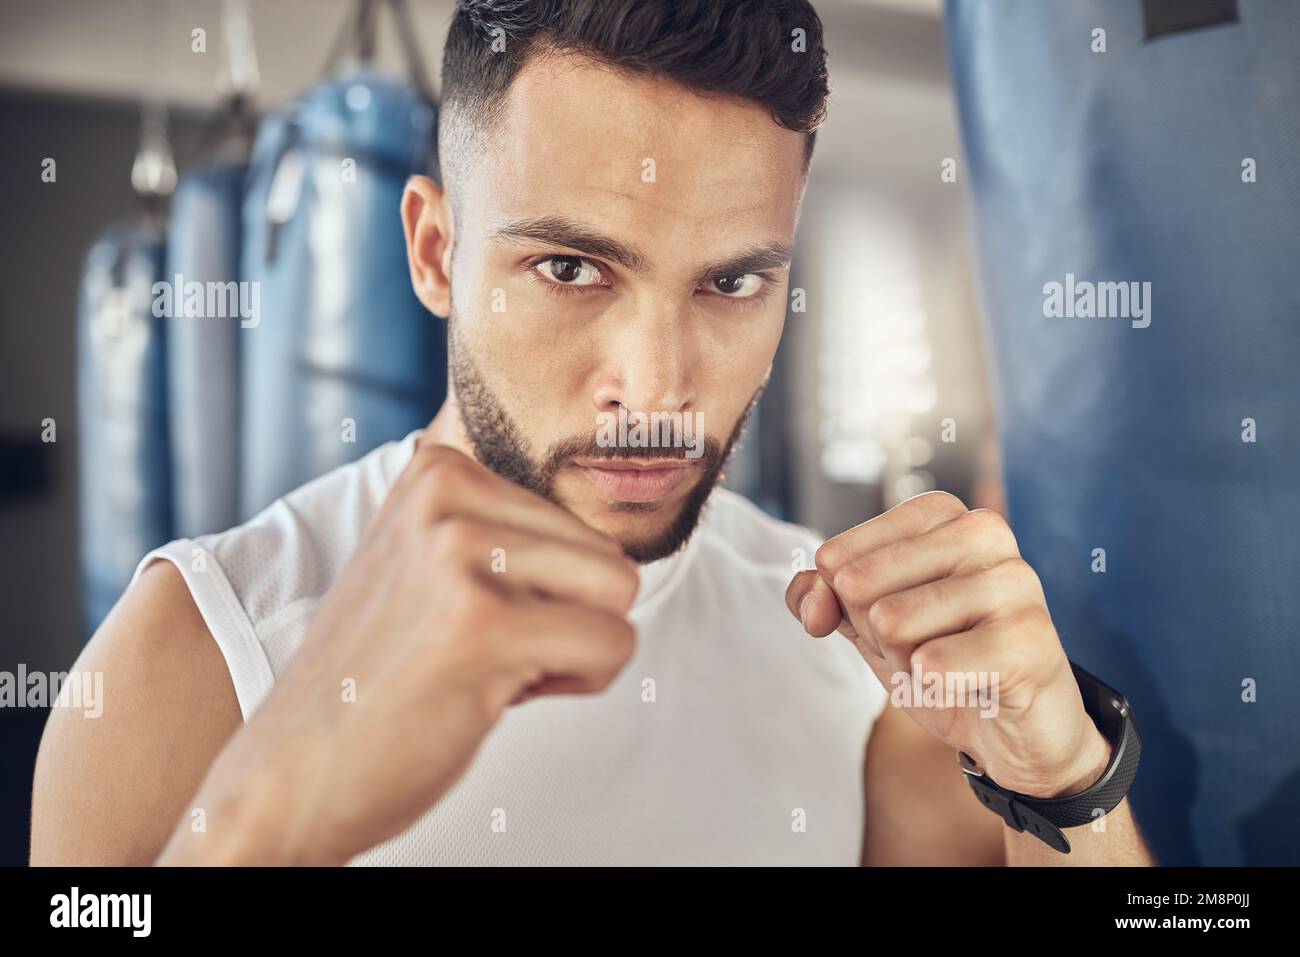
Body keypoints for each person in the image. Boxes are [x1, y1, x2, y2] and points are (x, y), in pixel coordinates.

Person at [30, 0, 1153, 866]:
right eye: (570, 268)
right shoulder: (189, 654)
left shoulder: (861, 666)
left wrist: (1068, 780)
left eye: (731, 283)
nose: (657, 387)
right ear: (433, 253)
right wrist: (269, 814)